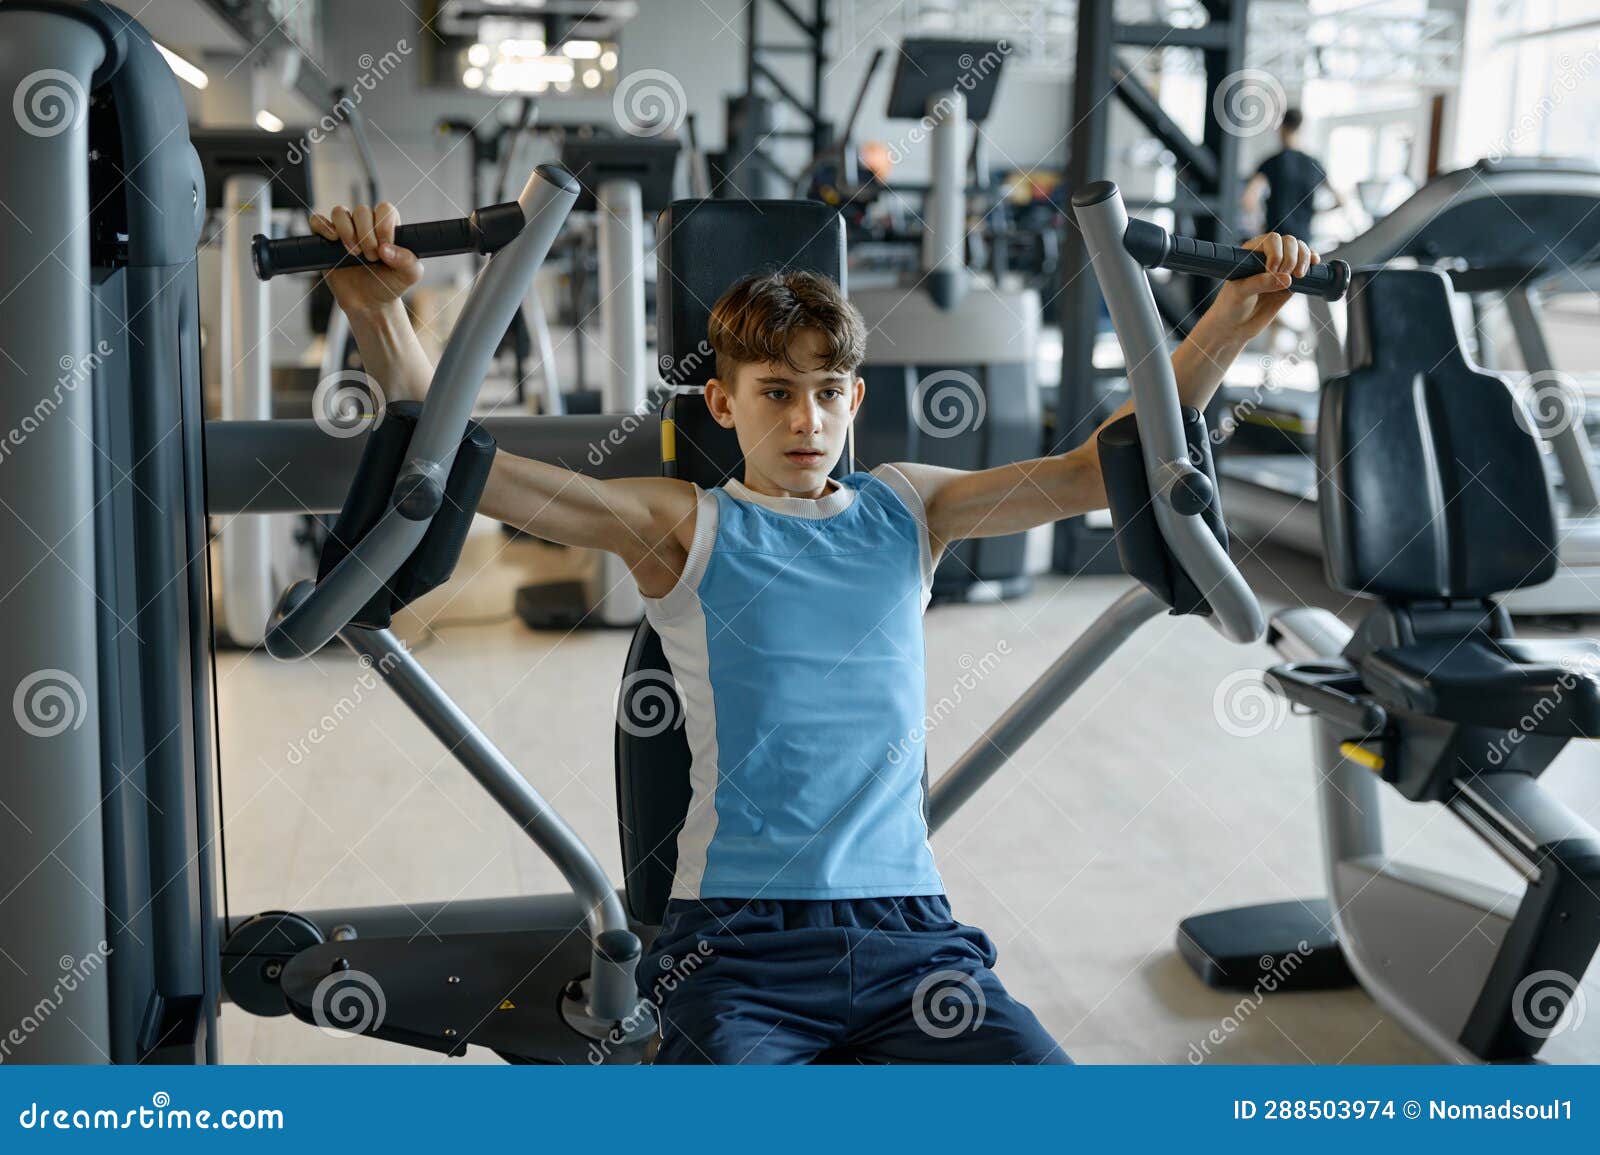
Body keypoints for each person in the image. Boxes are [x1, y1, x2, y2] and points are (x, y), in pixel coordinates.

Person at [309, 202, 1319, 1064]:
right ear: (723, 400)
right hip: (736, 952)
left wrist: (1226, 327)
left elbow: (1093, 469)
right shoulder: (682, 524)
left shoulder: (907, 510)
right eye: (776, 393)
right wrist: (379, 316)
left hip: (911, 942)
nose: (805, 419)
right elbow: (464, 472)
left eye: (826, 393)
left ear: (855, 402)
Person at [1243, 109, 1345, 354]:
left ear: (1282, 128)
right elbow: (1341, 200)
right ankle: (1279, 350)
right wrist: (1313, 214)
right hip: (1304, 246)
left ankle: (1283, 341)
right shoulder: (1314, 163)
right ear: (1302, 129)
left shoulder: (1273, 161)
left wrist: (1258, 222)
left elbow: (1248, 198)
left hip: (1274, 243)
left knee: (1264, 299)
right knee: (1284, 296)